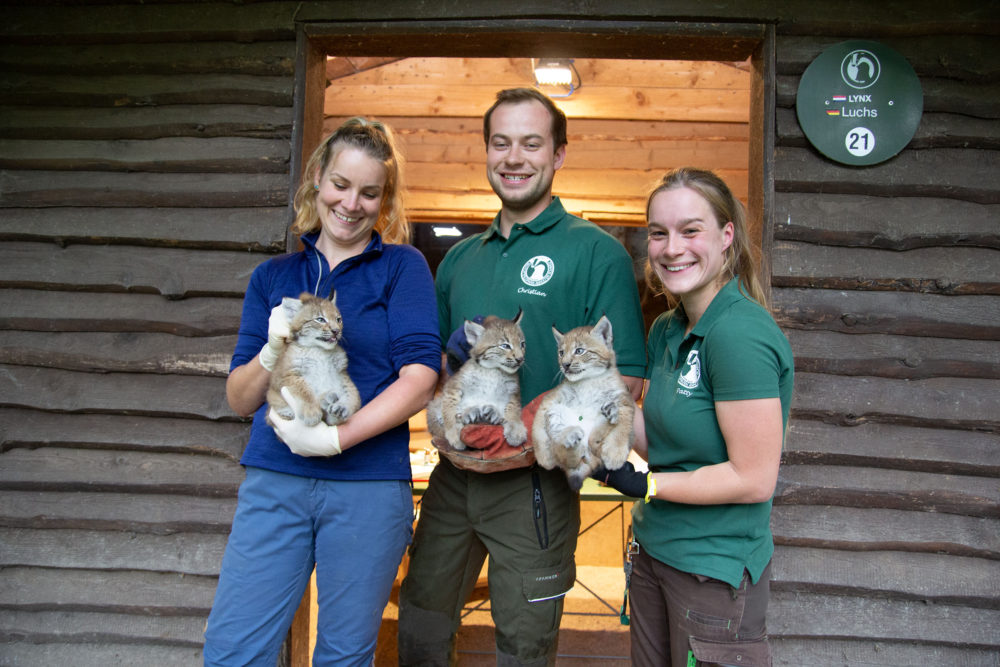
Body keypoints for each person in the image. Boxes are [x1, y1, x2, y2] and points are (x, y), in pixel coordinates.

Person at [397, 88, 647, 666]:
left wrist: (530, 430)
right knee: (421, 623)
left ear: (558, 154)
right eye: (501, 143)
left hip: (535, 487)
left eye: (531, 144)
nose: (514, 157)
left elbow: (625, 381)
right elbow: (433, 367)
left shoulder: (595, 253)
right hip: (454, 480)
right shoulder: (461, 259)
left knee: (525, 645)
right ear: (486, 151)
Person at [203, 117, 440, 666]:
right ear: (317, 179)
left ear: (384, 199)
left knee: (342, 654)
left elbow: (421, 376)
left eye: (368, 192)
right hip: (275, 479)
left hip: (367, 486)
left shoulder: (402, 268)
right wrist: (269, 352)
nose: (351, 203)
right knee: (234, 649)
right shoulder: (273, 276)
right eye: (340, 183)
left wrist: (337, 438)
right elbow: (240, 399)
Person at [596, 167, 794, 666]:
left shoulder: (739, 335)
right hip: (654, 552)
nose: (671, 247)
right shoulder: (667, 327)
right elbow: (661, 440)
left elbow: (753, 478)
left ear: (727, 236)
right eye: (658, 233)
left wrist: (648, 486)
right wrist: (595, 406)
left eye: (690, 230)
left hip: (712, 570)